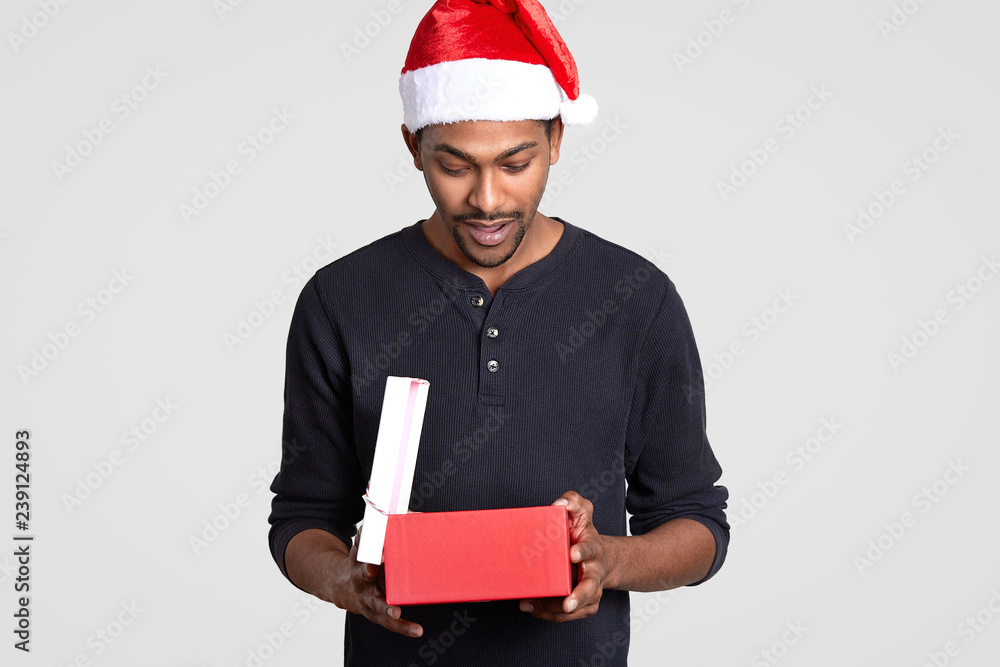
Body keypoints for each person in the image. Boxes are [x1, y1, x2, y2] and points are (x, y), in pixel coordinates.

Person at [268, 1, 729, 664]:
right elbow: (302, 516)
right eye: (455, 166)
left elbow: (699, 523)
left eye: (516, 163)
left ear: (557, 141)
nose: (487, 199)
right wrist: (346, 578)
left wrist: (610, 558)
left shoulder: (636, 299)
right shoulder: (339, 300)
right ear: (412, 146)